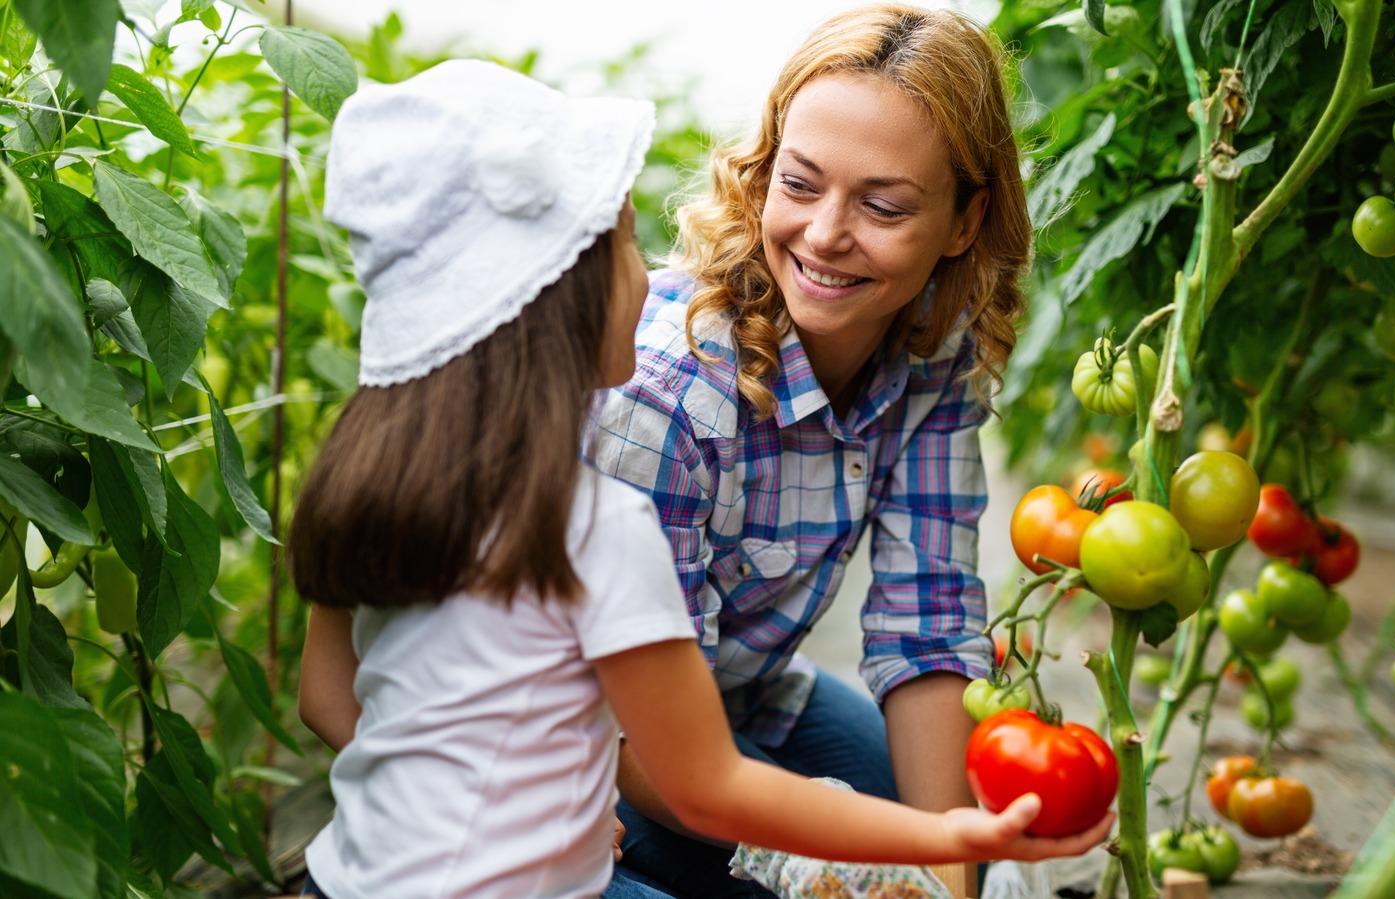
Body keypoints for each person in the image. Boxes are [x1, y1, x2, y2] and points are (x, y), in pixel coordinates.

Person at [291, 59, 1110, 899]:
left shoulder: (371, 464)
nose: (656, 276)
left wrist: (473, 797)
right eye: (623, 244)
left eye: (884, 205)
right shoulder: (614, 506)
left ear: (964, 221)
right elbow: (704, 782)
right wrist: (936, 837)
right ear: (563, 297)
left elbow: (327, 693)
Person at [589, 4, 1036, 897]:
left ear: (965, 220)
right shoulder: (670, 394)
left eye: (883, 205)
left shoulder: (933, 358)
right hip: (599, 736)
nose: (826, 234)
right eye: (799, 184)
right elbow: (643, 729)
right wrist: (827, 859)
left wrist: (945, 876)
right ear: (763, 173)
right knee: (829, 873)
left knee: (961, 843)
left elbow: (928, 624)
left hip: (743, 691)